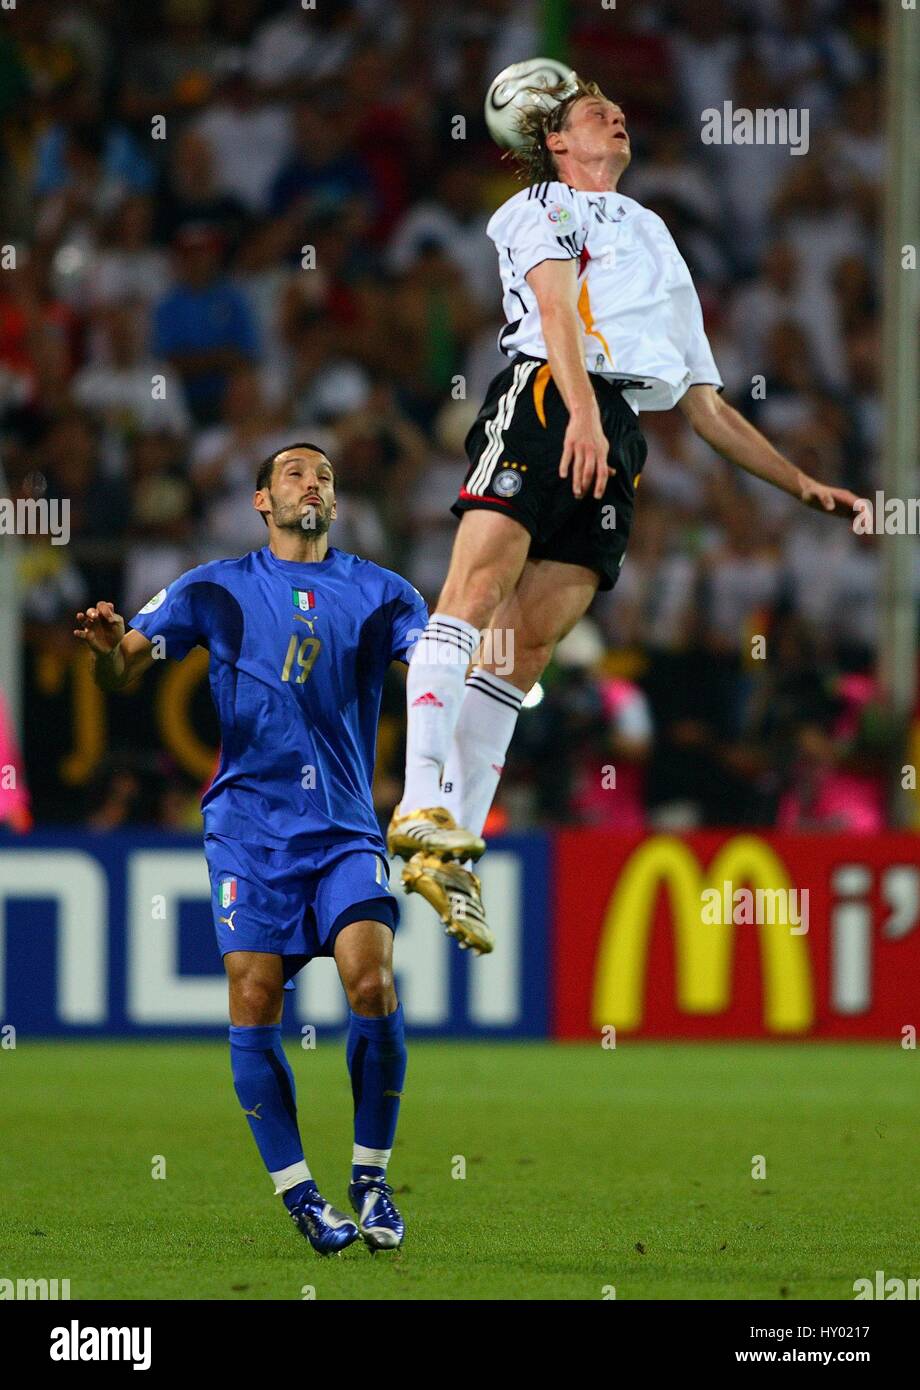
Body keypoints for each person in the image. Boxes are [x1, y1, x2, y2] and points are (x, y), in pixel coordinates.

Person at [386, 76, 860, 951]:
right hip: (544, 399)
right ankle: (418, 802)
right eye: (592, 108)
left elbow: (706, 401)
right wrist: (574, 411)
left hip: (620, 432)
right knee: (473, 596)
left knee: (527, 650)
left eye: (617, 102)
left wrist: (799, 484)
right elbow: (557, 308)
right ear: (556, 142)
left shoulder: (653, 231)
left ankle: (451, 850)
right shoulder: (540, 203)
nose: (615, 112)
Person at [74, 443, 427, 1255]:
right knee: (256, 998)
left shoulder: (383, 593)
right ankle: (302, 1196)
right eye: (297, 473)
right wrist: (105, 656)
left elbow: (437, 666)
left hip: (343, 826)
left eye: (327, 476)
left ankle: (371, 1180)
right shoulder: (214, 588)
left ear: (335, 504)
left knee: (371, 982)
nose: (315, 483)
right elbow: (124, 668)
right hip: (249, 831)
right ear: (263, 501)